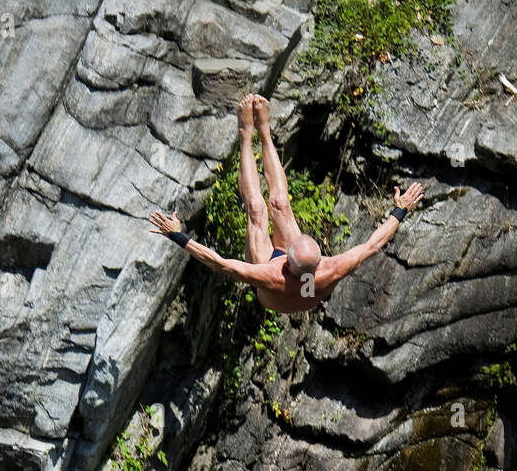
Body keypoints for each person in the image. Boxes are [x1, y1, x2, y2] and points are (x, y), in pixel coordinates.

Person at [149, 94, 423, 315]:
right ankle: (265, 131)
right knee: (280, 203)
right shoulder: (334, 267)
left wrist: (176, 233)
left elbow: (220, 264)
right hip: (305, 288)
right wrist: (402, 208)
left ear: (287, 264)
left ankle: (245, 134)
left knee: (257, 209)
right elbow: (374, 244)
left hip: (279, 297)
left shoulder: (271, 275)